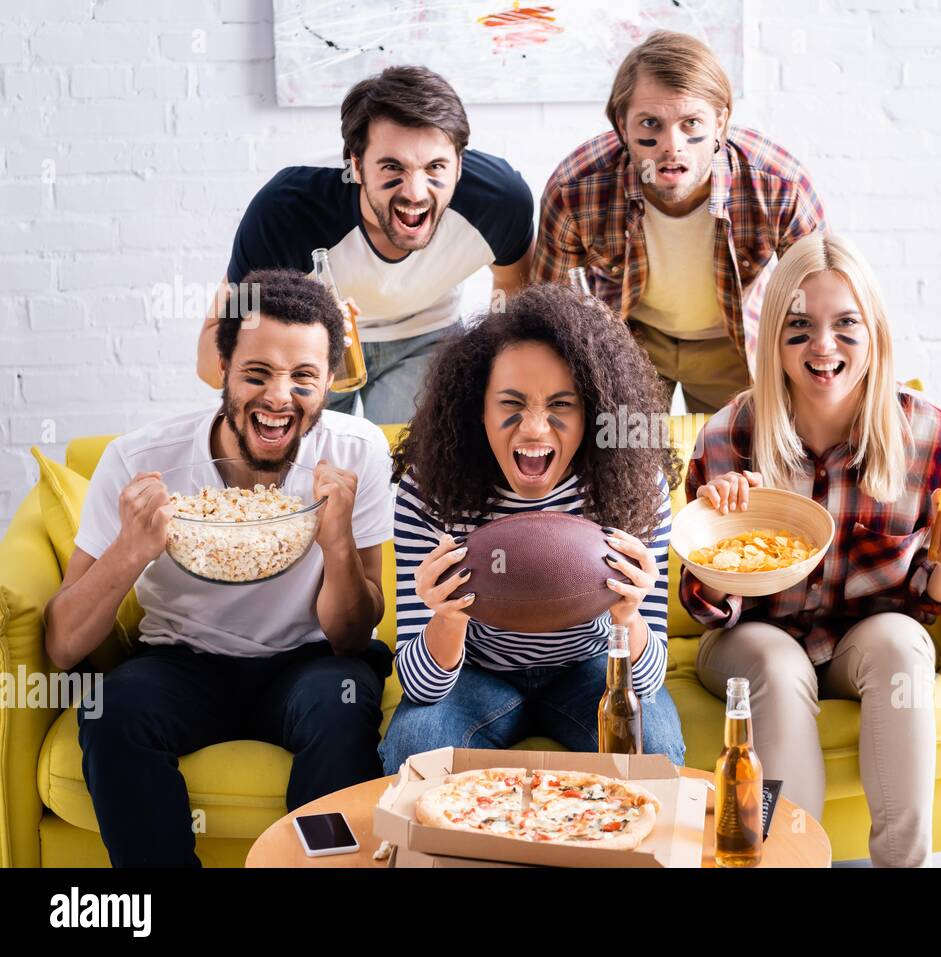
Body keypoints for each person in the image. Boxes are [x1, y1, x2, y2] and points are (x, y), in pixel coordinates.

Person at [46, 269, 395, 867]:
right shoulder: (139, 460)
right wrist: (131, 549)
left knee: (343, 704)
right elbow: (61, 646)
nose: (278, 398)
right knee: (112, 711)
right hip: (180, 660)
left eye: (304, 378)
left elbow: (350, 634)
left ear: (330, 382)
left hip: (309, 660)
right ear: (224, 372)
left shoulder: (356, 453)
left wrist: (336, 546)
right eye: (256, 374)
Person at [679, 233, 941, 867]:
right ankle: (788, 861)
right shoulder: (727, 437)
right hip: (753, 638)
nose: (823, 347)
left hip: (863, 641)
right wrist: (721, 536)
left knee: (901, 643)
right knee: (777, 661)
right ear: (773, 340)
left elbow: (935, 604)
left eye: (845, 324)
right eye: (799, 327)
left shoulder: (931, 438)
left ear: (874, 330)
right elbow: (706, 608)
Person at [379, 283, 687, 772]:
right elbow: (419, 686)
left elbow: (646, 682)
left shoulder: (632, 484)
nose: (534, 429)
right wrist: (449, 617)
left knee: (654, 752)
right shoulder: (430, 486)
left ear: (593, 411)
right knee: (413, 749)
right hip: (474, 674)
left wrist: (630, 618)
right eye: (510, 404)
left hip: (591, 669)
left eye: (561, 405)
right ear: (476, 408)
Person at [197, 65, 535, 426]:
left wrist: (490, 373)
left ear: (459, 166)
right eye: (392, 167)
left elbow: (512, 296)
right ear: (356, 166)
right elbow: (209, 362)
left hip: (428, 339)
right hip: (310, 346)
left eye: (436, 167)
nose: (415, 193)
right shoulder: (287, 210)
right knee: (306, 469)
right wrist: (289, 344)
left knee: (415, 471)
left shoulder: (500, 201)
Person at [532, 30, 826, 414]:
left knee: (742, 461)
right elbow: (547, 313)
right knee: (622, 455)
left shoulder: (779, 187)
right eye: (650, 123)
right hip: (629, 338)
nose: (672, 145)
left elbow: (823, 304)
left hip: (732, 339)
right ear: (623, 126)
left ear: (720, 123)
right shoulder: (575, 189)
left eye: (691, 123)